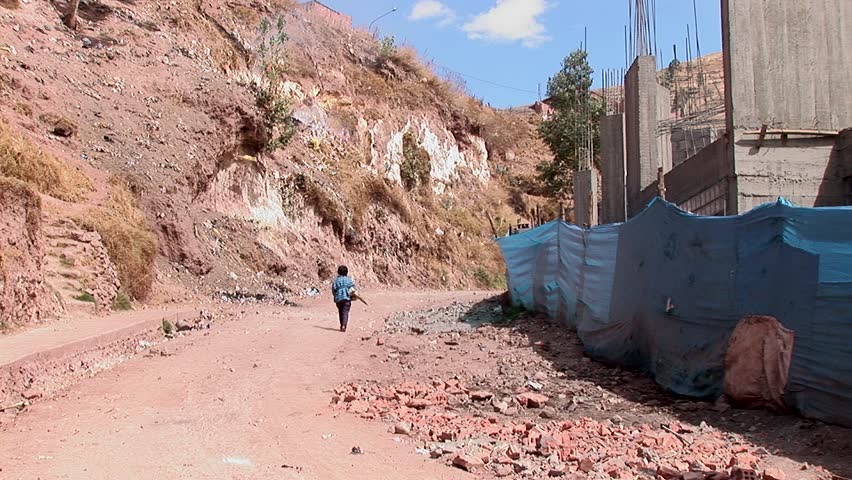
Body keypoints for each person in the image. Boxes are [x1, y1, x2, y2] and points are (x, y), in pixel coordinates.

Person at [331, 265, 356, 332]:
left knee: (340, 312)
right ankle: (344, 325)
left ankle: (341, 325)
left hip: (338, 299)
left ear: (338, 272)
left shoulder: (336, 281)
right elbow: (353, 289)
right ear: (346, 272)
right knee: (345, 312)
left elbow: (333, 290)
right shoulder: (349, 280)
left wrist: (335, 296)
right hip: (347, 298)